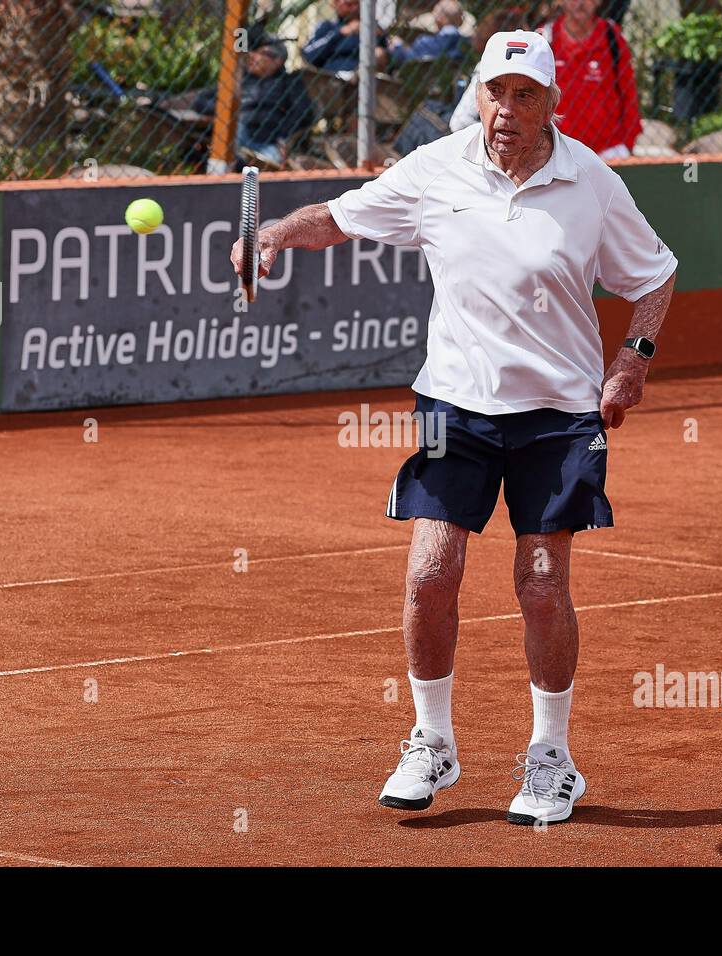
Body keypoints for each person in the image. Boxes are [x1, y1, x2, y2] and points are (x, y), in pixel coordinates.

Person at [230, 30, 677, 825]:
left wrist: (633, 358)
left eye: (525, 95)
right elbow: (340, 216)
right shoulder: (436, 168)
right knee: (430, 574)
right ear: (477, 94)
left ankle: (551, 760)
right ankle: (431, 743)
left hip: (559, 417)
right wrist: (273, 236)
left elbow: (655, 273)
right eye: (494, 93)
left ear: (550, 104)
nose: (507, 110)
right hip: (455, 408)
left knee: (541, 585)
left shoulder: (593, 183)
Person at [192, 28, 315, 167]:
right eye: (253, 51)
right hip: (236, 135)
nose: (252, 55)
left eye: (261, 53)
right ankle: (231, 163)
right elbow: (200, 101)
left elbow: (304, 113)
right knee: (236, 128)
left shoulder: (289, 82)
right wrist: (227, 110)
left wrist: (282, 136)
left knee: (268, 165)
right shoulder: (240, 79)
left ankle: (239, 163)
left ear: (278, 61)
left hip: (268, 141)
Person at [537, 0, 641, 160]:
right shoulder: (543, 38)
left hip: (609, 150)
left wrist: (627, 143)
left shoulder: (611, 35)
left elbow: (629, 93)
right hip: (557, 149)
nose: (580, 3)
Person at [301, 0, 390, 73]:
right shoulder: (328, 26)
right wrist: (340, 33)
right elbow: (309, 54)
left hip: (363, 78)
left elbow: (389, 58)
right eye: (349, 4)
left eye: (357, 4)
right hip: (331, 78)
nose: (354, 9)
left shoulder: (373, 28)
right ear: (335, 4)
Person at [388, 0, 469, 64]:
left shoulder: (431, 40)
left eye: (435, 12)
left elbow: (414, 59)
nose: (433, 16)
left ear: (441, 17)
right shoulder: (462, 41)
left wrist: (398, 46)